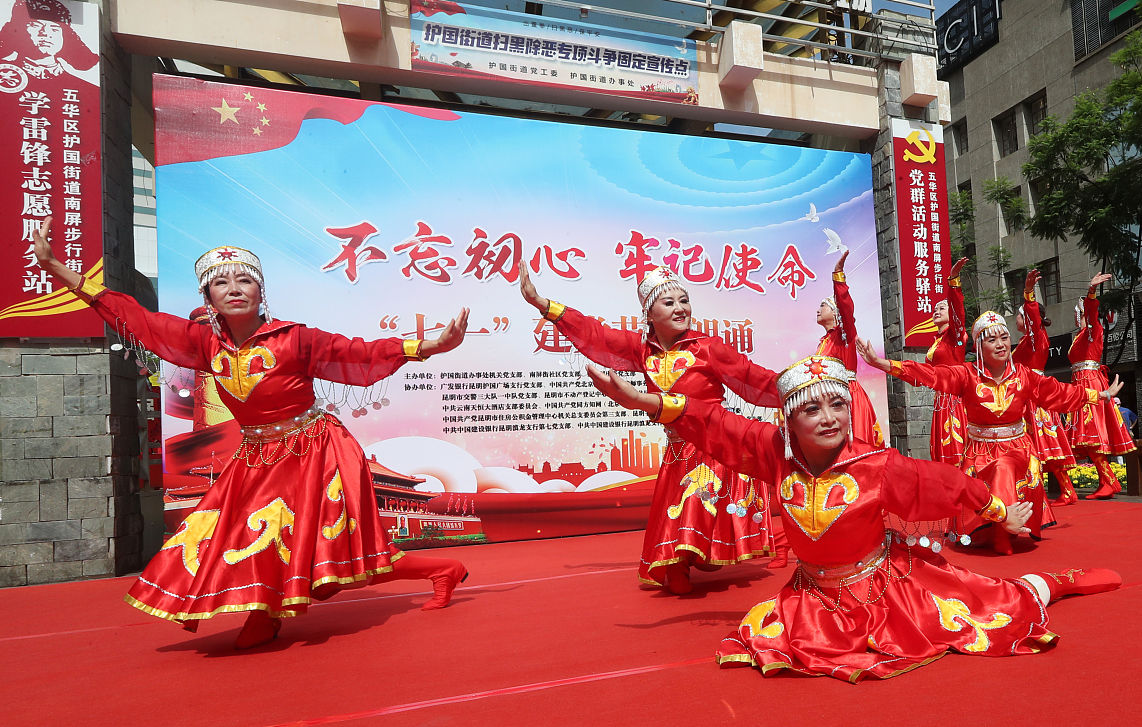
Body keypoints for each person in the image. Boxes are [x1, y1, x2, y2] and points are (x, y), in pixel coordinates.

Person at [33, 216, 471, 649]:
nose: (234, 289)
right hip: (258, 452)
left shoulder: (296, 339)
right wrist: (58, 269)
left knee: (326, 548)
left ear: (261, 292)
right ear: (208, 297)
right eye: (221, 283)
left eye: (245, 280)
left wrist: (429, 346)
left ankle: (267, 614)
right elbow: (135, 317)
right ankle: (438, 570)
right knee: (234, 533)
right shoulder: (203, 343)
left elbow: (358, 352)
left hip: (315, 449)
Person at [585, 355, 1120, 682]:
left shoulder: (876, 464)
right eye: (811, 410)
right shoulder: (774, 452)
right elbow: (715, 423)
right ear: (788, 420)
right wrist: (644, 401)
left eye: (837, 406)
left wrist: (999, 512)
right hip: (810, 594)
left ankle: (1050, 584)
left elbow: (942, 482)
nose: (829, 419)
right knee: (771, 637)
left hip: (884, 589)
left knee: (988, 603)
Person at [518, 261, 783, 593]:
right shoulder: (642, 350)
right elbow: (596, 334)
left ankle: (685, 563)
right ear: (649, 313)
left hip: (714, 444)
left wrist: (803, 390)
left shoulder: (708, 348)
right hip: (678, 448)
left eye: (684, 300)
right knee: (675, 511)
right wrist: (543, 304)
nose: (680, 308)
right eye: (669, 302)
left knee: (694, 504)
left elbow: (756, 378)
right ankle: (678, 567)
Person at [857, 311, 1123, 555]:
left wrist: (1099, 395)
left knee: (1004, 467)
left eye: (1004, 338)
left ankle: (1002, 533)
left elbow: (1057, 392)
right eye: (992, 340)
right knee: (991, 473)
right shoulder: (966, 375)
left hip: (1018, 450)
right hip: (978, 453)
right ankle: (996, 527)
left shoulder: (1023, 376)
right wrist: (882, 363)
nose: (1000, 344)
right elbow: (930, 374)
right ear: (979, 346)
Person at [1064, 273, 1136, 499]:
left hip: (1090, 384)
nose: (1076, 316)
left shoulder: (1092, 330)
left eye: (1078, 313)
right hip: (1080, 385)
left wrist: (1091, 292)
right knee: (1087, 438)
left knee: (1092, 435)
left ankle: (1109, 481)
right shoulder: (1080, 336)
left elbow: (1093, 314)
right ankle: (1107, 481)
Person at [1013, 270, 1080, 505]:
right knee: (1037, 444)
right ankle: (1057, 491)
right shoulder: (1026, 340)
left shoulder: (1036, 336)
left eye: (1019, 315)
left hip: (1035, 395)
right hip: (1026, 393)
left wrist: (1028, 294)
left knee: (1040, 443)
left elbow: (1033, 319)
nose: (1016, 319)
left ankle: (1047, 492)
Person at [815, 250, 884, 448]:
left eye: (823, 306)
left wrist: (838, 277)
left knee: (855, 449)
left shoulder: (844, 333)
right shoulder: (824, 341)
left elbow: (846, 307)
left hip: (848, 396)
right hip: (831, 397)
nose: (818, 310)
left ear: (835, 311)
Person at [925, 257, 969, 466]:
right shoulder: (937, 341)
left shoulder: (955, 336)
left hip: (955, 399)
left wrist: (953, 281)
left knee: (956, 448)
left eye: (941, 309)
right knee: (941, 450)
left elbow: (958, 309)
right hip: (940, 399)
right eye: (935, 309)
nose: (936, 311)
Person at [0, 0, 98, 82]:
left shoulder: (84, 87)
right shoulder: (4, 73)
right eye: (36, 26)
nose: (45, 33)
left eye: (54, 29)